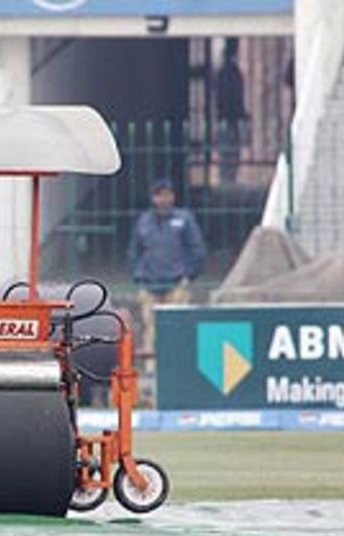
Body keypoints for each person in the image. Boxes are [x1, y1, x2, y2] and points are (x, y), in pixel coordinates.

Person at [127, 177, 206, 360]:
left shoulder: (184, 219)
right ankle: (151, 370)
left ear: (173, 197)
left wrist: (188, 275)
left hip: (176, 283)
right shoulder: (144, 221)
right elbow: (134, 250)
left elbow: (197, 249)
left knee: (177, 327)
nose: (163, 199)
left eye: (167, 195)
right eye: (159, 195)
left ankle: (177, 365)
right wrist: (138, 275)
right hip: (149, 284)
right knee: (150, 329)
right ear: (153, 198)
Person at [215, 38, 248, 185]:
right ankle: (228, 177)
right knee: (230, 149)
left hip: (228, 116)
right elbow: (230, 96)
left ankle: (228, 177)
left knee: (229, 148)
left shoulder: (226, 71)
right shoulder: (230, 72)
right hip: (229, 117)